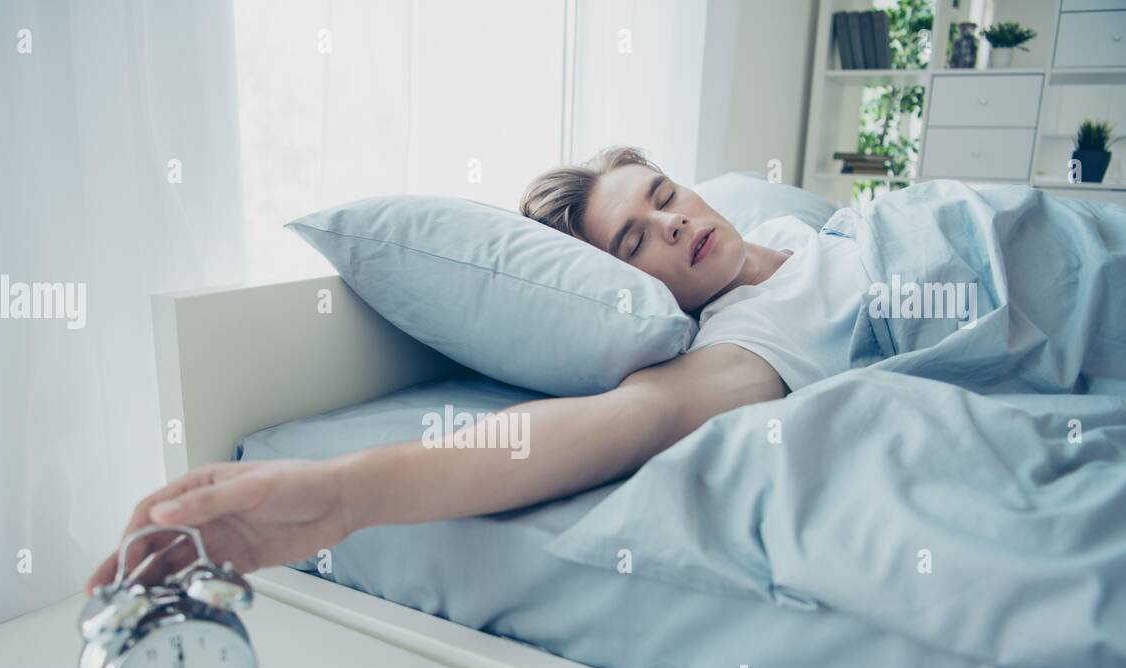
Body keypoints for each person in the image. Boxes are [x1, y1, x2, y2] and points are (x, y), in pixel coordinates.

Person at [87, 146, 859, 591]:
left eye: (663, 196)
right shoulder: (747, 341)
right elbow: (619, 421)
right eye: (634, 242)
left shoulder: (797, 224)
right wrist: (342, 493)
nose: (673, 221)